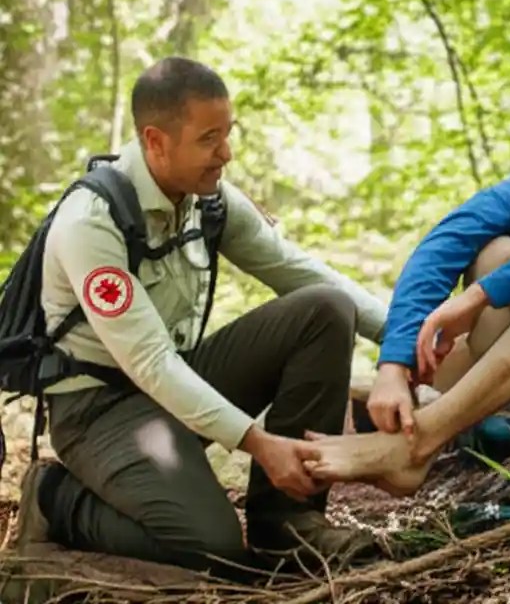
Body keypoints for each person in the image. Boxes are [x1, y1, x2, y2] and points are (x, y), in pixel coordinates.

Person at [10, 57, 389, 575]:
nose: (226, 154)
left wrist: (404, 338)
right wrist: (258, 443)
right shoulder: (91, 224)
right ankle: (55, 498)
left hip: (173, 382)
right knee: (214, 548)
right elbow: (151, 364)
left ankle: (288, 527)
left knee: (325, 309)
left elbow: (298, 270)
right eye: (209, 139)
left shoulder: (207, 202)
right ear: (156, 141)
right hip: (99, 410)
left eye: (228, 134)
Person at [300, 27, 510, 493]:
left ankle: (418, 442)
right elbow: (451, 237)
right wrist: (394, 362)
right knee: (495, 254)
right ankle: (412, 408)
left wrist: (479, 296)